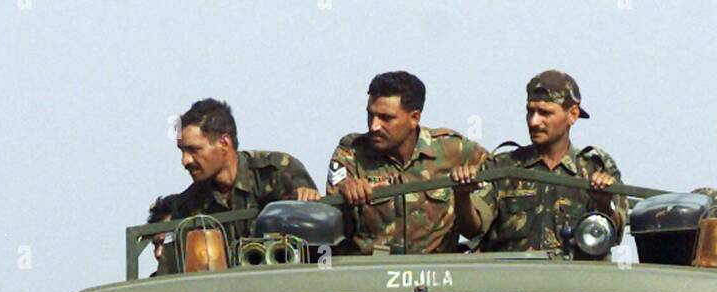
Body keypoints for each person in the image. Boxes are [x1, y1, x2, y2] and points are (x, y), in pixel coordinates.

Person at [450, 70, 625, 257]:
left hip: (576, 281)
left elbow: (615, 234)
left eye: (544, 113)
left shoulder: (596, 168)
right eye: (530, 111)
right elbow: (472, 229)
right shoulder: (502, 167)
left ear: (572, 114)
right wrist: (462, 196)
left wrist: (604, 204)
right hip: (511, 280)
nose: (534, 121)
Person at [327, 71, 488, 254]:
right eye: (371, 115)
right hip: (371, 274)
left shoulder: (454, 149)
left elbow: (496, 179)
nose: (374, 126)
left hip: (437, 274)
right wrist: (348, 191)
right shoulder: (351, 153)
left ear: (414, 118)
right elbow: (330, 220)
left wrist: (467, 195)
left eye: (386, 118)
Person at [153, 98, 319, 269]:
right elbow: (173, 274)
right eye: (182, 151)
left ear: (224, 143)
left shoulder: (277, 172)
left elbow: (319, 249)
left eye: (194, 150)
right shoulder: (188, 207)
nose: (185, 160)